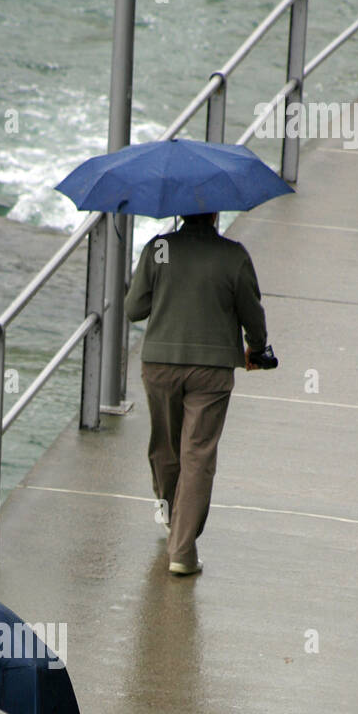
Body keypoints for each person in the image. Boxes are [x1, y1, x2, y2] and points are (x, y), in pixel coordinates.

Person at [124, 211, 271, 576]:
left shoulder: (159, 249)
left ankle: (172, 515)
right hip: (212, 369)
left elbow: (133, 309)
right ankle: (183, 550)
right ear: (216, 214)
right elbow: (252, 313)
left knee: (165, 447)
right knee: (198, 454)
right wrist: (257, 347)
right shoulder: (233, 256)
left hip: (160, 363)